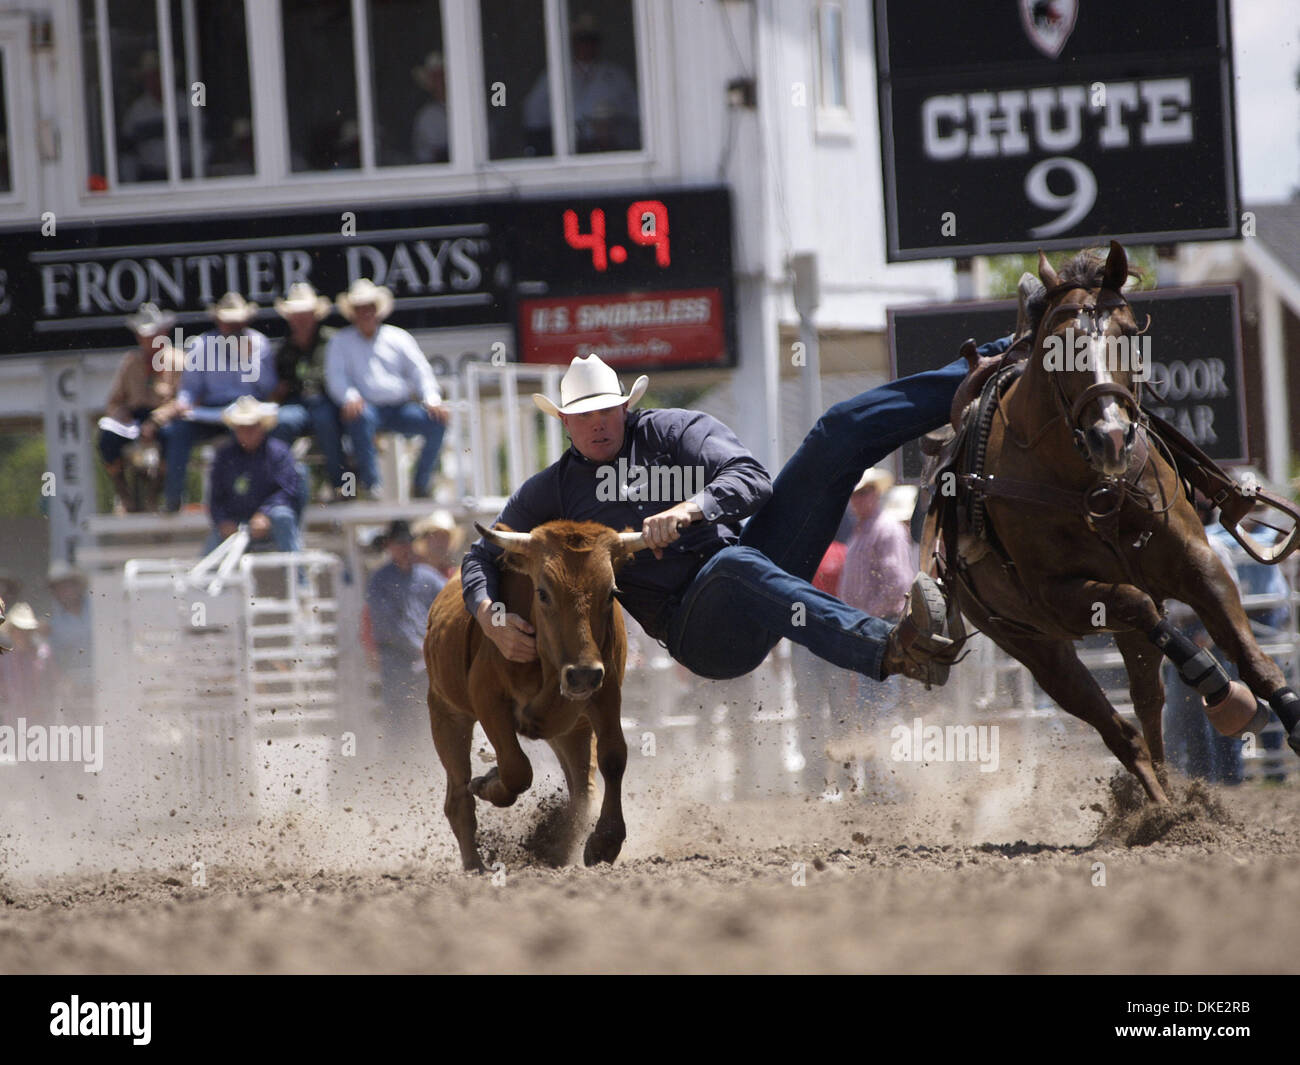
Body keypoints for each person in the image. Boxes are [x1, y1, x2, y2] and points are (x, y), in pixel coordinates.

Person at [461, 347, 1014, 705]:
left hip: (756, 564)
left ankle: (994, 365)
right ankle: (894, 649)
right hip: (702, 634)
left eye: (607, 410)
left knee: (837, 431)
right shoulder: (552, 490)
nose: (598, 423)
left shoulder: (674, 430)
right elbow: (479, 554)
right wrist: (489, 615)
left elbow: (751, 478)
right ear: (563, 422)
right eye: (584, 415)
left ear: (626, 408)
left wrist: (691, 509)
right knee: (732, 567)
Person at [324, 279, 449, 500]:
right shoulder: (340, 342)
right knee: (359, 416)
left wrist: (431, 398)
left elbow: (420, 371)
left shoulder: (398, 337)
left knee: (437, 421)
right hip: (367, 410)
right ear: (352, 313)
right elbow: (336, 378)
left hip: (400, 408)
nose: (365, 313)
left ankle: (421, 482)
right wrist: (349, 397)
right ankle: (372, 484)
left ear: (377, 310)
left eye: (369, 307)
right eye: (360, 308)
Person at [161, 292, 275, 512]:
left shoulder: (258, 343)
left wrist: (249, 360)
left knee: (244, 433)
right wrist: (183, 404)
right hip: (211, 411)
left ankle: (245, 499)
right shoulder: (201, 345)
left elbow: (267, 388)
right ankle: (173, 498)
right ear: (218, 321)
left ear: (245, 321)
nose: (232, 326)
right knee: (177, 431)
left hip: (247, 409)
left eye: (236, 321)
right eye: (228, 321)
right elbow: (190, 389)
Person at [366, 520, 446, 746]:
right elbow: (386, 625)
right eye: (400, 544)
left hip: (428, 660)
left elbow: (449, 601)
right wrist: (421, 648)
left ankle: (429, 762)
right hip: (397, 661)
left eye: (408, 543)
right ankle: (397, 766)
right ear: (389, 546)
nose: (405, 548)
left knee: (431, 716)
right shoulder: (380, 580)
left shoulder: (428, 576)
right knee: (399, 718)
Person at [98, 303, 183, 513]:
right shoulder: (130, 362)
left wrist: (156, 421)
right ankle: (123, 491)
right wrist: (120, 413)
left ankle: (157, 490)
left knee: (173, 437)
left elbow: (183, 400)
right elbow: (114, 401)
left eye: (153, 335)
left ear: (163, 333)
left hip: (165, 419)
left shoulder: (179, 361)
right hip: (134, 420)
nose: (148, 340)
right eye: (144, 335)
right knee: (106, 438)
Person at [522, 13, 640, 155]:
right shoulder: (554, 75)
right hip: (569, 150)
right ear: (573, 42)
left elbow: (636, 112)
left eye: (591, 40)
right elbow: (533, 114)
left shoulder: (616, 75)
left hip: (610, 148)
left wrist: (614, 122)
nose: (586, 45)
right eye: (581, 40)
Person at [269, 283, 346, 496]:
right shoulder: (286, 347)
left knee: (326, 421)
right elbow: (282, 383)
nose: (301, 319)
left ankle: (344, 487)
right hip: (298, 405)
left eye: (305, 314)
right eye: (296, 315)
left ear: (315, 315)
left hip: (329, 402)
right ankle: (282, 487)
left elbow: (334, 377)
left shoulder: (333, 340)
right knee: (282, 421)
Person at [205, 396, 303, 555]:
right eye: (242, 427)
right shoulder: (224, 456)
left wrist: (265, 514)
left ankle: (298, 575)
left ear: (261, 427)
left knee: (282, 516)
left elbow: (288, 491)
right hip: (236, 523)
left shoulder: (279, 453)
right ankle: (204, 580)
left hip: (272, 522)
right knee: (212, 549)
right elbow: (216, 498)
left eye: (251, 426)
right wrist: (223, 522)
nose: (247, 432)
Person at [46, 562, 94, 713]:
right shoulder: (54, 624)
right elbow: (55, 658)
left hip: (110, 674)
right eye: (59, 588)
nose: (64, 591)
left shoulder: (97, 608)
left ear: (78, 587)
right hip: (77, 683)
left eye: (68, 586)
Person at [0, 602, 50, 713]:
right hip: (11, 718)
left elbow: (53, 682)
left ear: (31, 632)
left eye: (25, 630)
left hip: (40, 715)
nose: (21, 634)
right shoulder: (3, 660)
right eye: (18, 630)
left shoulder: (43, 655)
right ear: (11, 632)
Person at [410, 52, 449, 164]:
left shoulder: (470, 108)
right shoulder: (427, 116)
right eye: (436, 78)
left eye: (444, 76)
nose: (442, 82)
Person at [412, 509, 464, 579]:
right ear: (426, 539)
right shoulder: (413, 571)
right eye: (435, 536)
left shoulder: (455, 575)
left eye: (444, 537)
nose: (440, 542)